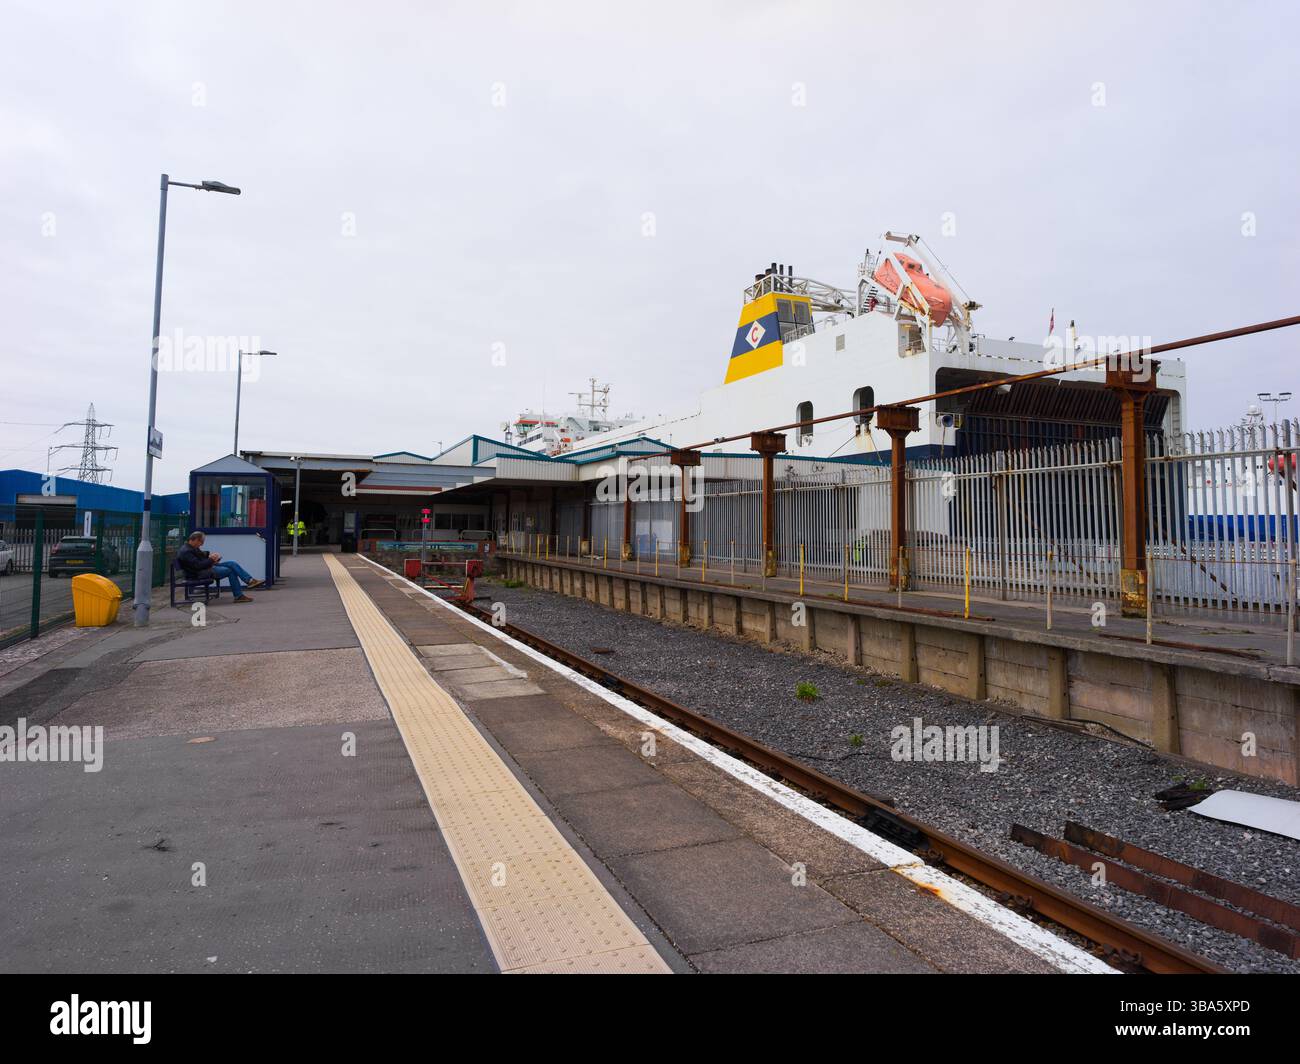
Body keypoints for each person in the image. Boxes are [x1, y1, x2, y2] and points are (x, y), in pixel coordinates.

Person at [176, 531, 262, 603]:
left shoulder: (190, 547)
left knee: (232, 564)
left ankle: (250, 581)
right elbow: (198, 565)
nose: (201, 545)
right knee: (230, 571)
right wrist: (212, 560)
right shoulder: (187, 551)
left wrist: (211, 556)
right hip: (199, 573)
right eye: (201, 542)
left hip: (204, 569)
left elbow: (200, 556)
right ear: (195, 540)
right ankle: (239, 595)